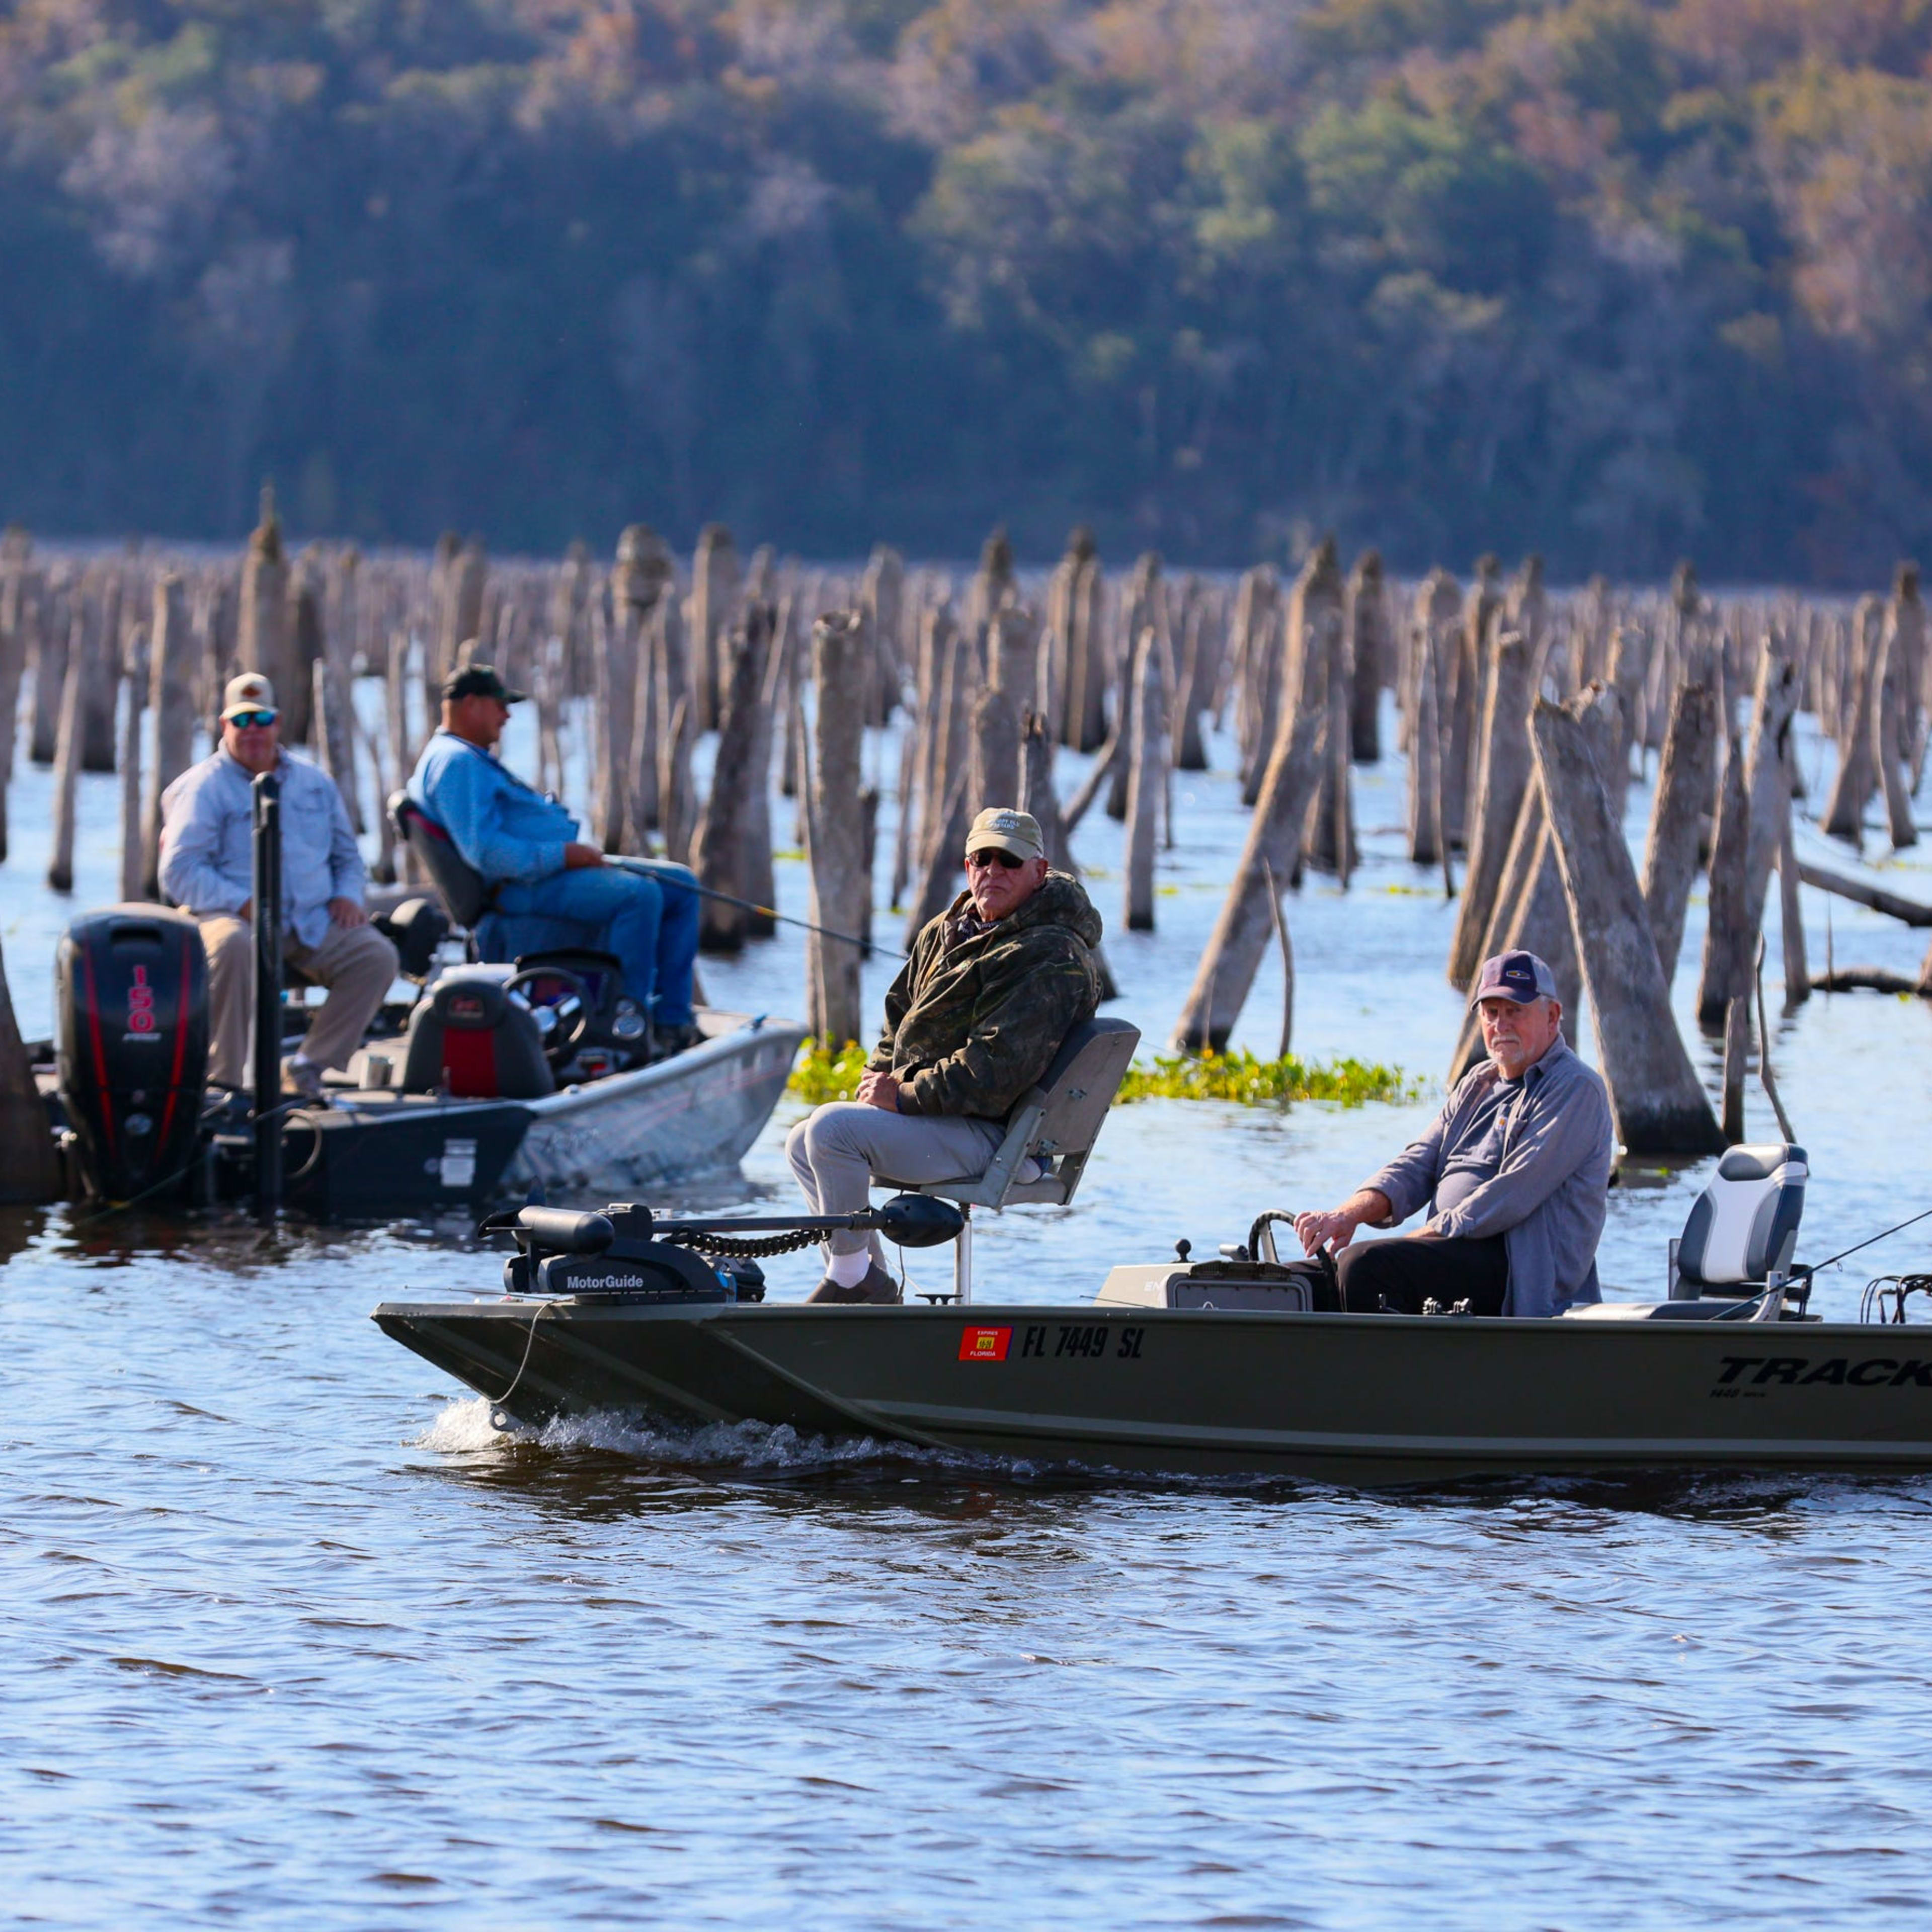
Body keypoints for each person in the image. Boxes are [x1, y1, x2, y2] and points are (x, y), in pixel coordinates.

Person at [787, 807, 1103, 1304]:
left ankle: (849, 1283)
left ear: (1039, 872)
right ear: (968, 864)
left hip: (997, 1136)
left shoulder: (1051, 953)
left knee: (833, 1131)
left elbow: (998, 1070)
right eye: (984, 858)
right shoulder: (944, 930)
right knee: (803, 1138)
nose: (994, 871)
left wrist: (904, 1096)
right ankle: (866, 1280)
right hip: (940, 1119)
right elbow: (898, 1014)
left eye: (1010, 861)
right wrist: (878, 1074)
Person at [1293, 949, 1614, 1318]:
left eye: (1515, 1011)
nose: (1501, 1024)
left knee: (1365, 1266)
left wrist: (1418, 1238)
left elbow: (1510, 1194)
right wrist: (1345, 1216)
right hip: (1450, 1252)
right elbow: (1416, 1165)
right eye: (1491, 1013)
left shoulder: (1576, 1089)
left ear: (1553, 1016)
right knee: (1293, 1281)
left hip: (1519, 1275)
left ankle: (1379, 1374)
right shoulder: (1478, 1083)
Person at [406, 662, 701, 1051]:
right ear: (473, 705)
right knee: (638, 896)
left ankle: (672, 1018)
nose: (507, 716)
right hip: (518, 888)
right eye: (500, 706)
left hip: (540, 875)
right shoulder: (455, 763)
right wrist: (563, 854)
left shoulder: (465, 756)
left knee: (680, 884)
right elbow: (486, 854)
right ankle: (627, 1020)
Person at [159, 671, 397, 1103]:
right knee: (231, 947)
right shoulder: (202, 786)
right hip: (230, 917)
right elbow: (178, 870)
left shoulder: (315, 783)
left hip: (307, 919)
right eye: (242, 721)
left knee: (377, 956)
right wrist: (243, 902)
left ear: (279, 722)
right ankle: (223, 1087)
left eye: (262, 719)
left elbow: (347, 857)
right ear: (224, 725)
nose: (253, 731)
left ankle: (307, 1066)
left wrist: (348, 895)